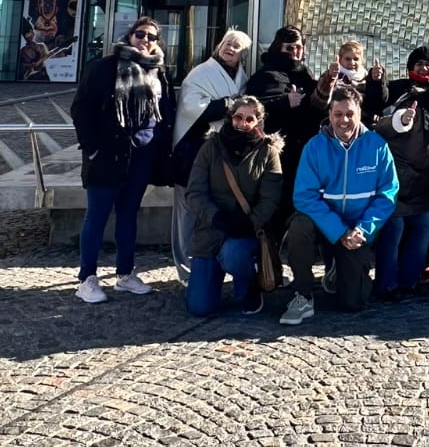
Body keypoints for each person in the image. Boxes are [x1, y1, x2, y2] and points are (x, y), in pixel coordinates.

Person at [70, 17, 176, 304]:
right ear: (130, 36)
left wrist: (160, 150)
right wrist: (92, 148)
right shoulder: (106, 67)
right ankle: (87, 278)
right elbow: (81, 108)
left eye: (152, 37)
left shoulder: (158, 71)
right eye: (140, 34)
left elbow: (165, 112)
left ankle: (125, 274)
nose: (145, 40)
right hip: (108, 154)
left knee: (129, 215)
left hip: (141, 155)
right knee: (97, 216)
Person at [280, 86, 400, 326]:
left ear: (359, 113)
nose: (344, 120)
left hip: (356, 230)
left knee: (353, 303)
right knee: (299, 227)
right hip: (324, 227)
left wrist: (363, 230)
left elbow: (388, 194)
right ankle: (302, 295)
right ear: (330, 114)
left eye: (349, 114)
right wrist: (338, 231)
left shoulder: (377, 146)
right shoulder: (315, 146)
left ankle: (339, 269)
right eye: (338, 114)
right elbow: (304, 197)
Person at [183, 95, 282, 316]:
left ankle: (249, 286)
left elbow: (270, 198)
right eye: (238, 117)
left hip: (246, 232)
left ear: (258, 122)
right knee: (199, 307)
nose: (243, 123)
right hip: (211, 230)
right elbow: (194, 193)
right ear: (231, 118)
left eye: (250, 119)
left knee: (233, 254)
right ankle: (212, 277)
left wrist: (250, 222)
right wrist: (215, 217)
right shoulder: (210, 147)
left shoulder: (268, 152)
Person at [169, 29, 251, 283]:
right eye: (227, 43)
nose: (230, 48)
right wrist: (229, 104)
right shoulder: (200, 73)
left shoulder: (242, 78)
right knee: (187, 211)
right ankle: (186, 269)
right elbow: (192, 108)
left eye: (236, 46)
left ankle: (210, 266)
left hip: (222, 153)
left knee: (214, 210)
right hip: (192, 150)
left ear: (242, 54)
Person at [372, 80, 429, 301]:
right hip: (390, 188)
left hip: (418, 192)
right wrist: (401, 121)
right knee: (394, 226)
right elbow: (384, 127)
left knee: (427, 221)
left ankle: (409, 280)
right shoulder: (415, 109)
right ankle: (386, 285)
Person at [246, 25, 321, 235]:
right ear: (279, 47)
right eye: (289, 47)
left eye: (298, 47)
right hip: (277, 153)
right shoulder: (266, 75)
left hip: (304, 152)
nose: (295, 52)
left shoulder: (304, 74)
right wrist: (284, 101)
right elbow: (254, 106)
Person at [317, 38, 390, 121]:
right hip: (336, 120)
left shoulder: (368, 78)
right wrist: (330, 80)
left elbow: (378, 104)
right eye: (347, 59)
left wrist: (377, 82)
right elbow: (318, 103)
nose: (352, 63)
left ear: (361, 60)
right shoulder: (330, 76)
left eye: (356, 59)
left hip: (364, 121)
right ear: (340, 60)